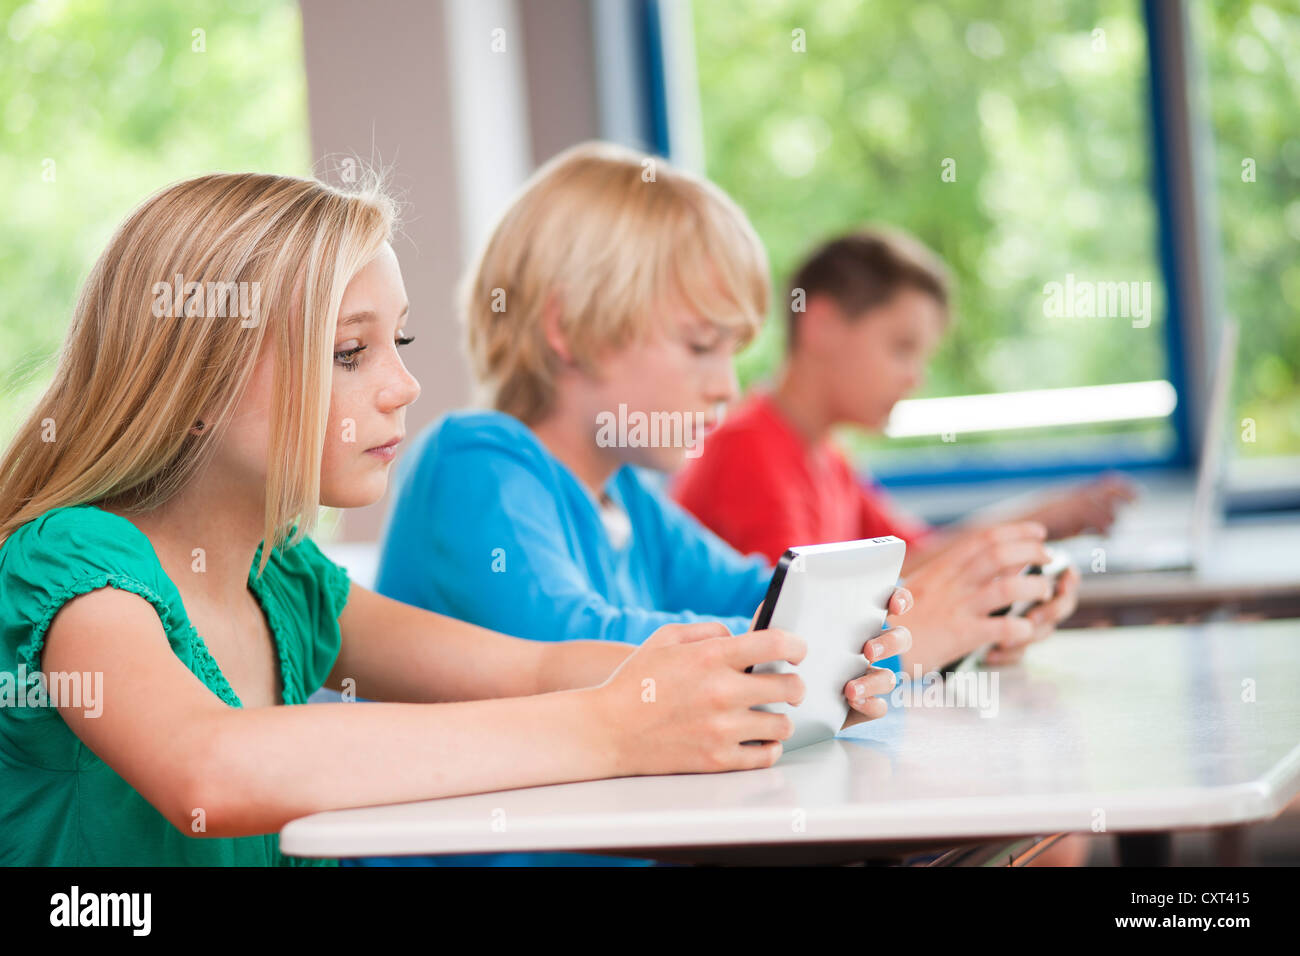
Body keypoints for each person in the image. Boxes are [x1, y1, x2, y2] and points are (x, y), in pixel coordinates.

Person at [0, 170, 905, 866]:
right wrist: (609, 727)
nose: (403, 386)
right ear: (193, 381)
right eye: (349, 352)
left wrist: (769, 671)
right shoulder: (75, 564)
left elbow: (530, 667)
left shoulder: (283, 574)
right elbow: (211, 768)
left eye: (397, 344)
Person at [369, 143, 1070, 867]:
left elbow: (769, 594)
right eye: (703, 345)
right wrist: (884, 638)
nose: (728, 387)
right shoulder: (477, 460)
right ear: (569, 328)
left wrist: (953, 625)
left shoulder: (632, 500)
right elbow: (578, 643)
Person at [672, 227, 1135, 587]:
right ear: (823, 325)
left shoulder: (826, 457)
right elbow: (802, 611)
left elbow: (916, 555)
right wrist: (1035, 522)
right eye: (902, 348)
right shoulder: (749, 452)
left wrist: (1038, 520)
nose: (915, 377)